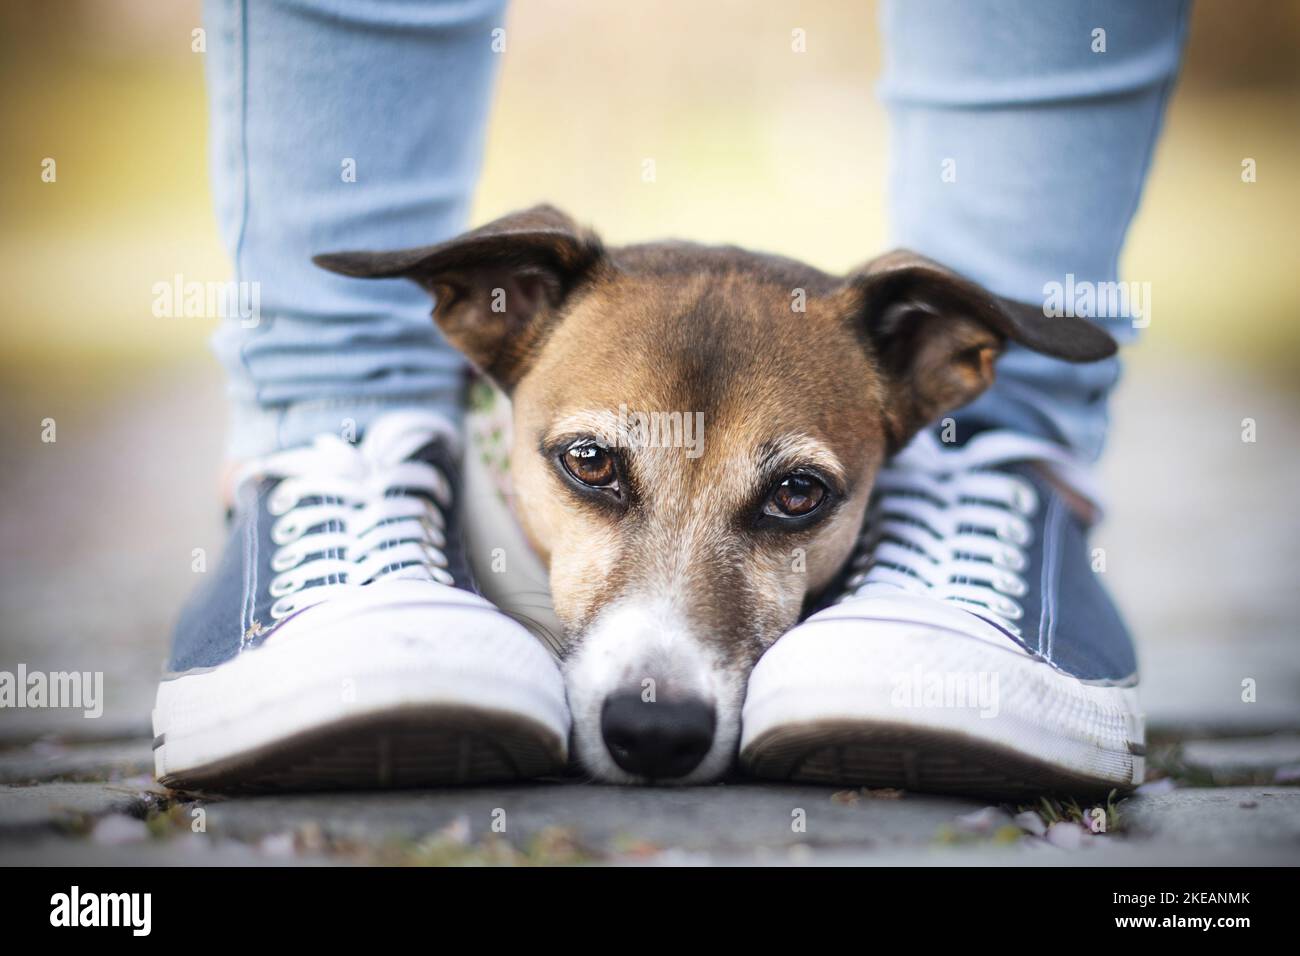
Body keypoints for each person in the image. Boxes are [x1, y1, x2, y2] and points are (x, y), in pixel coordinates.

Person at [155, 0, 1189, 792]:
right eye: (597, 467)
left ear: (931, 366)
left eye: (791, 496)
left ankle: (1000, 473)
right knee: (341, 388)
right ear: (488, 310)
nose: (659, 683)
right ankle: (328, 435)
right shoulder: (533, 319)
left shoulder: (900, 354)